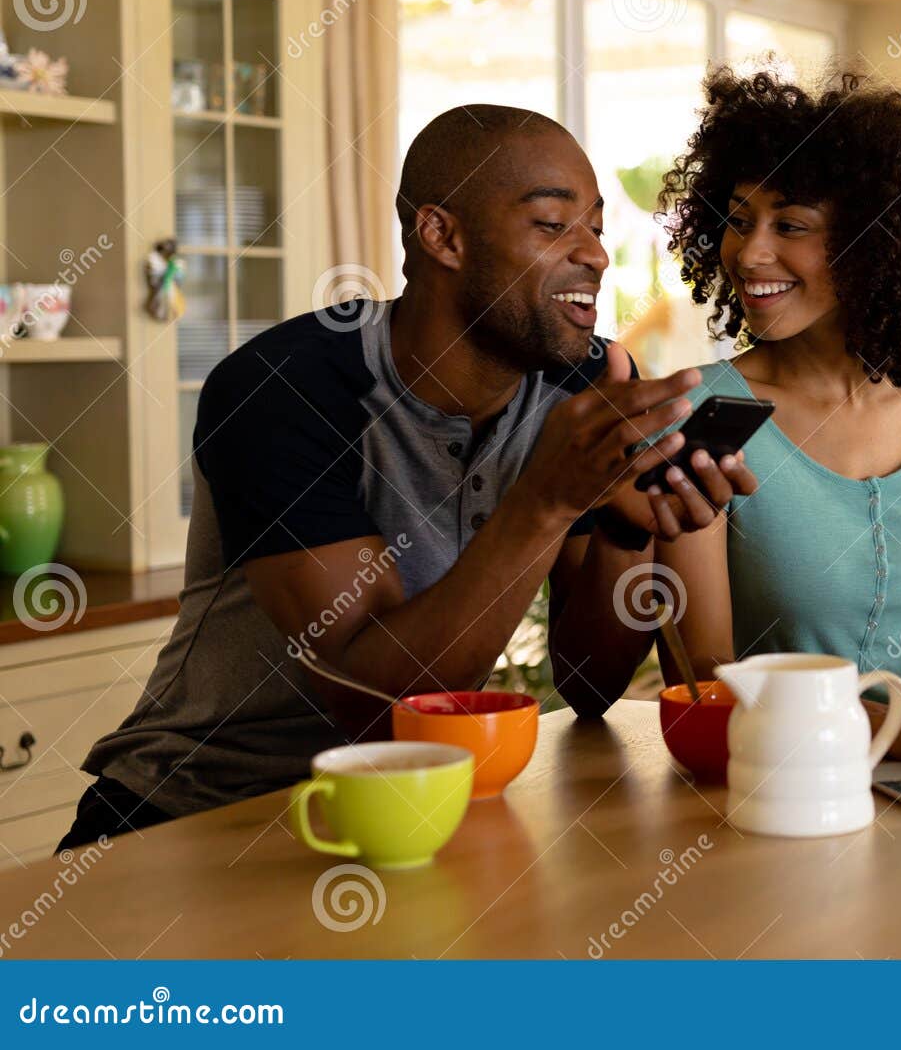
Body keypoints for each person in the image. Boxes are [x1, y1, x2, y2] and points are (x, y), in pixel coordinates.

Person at [59, 105, 756, 849]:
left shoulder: (575, 387)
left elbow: (588, 684)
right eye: (554, 225)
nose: (595, 255)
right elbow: (374, 703)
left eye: (595, 226)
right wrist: (548, 499)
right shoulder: (281, 389)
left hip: (417, 811)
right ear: (441, 235)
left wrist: (622, 524)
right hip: (194, 816)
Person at [559, 70, 901, 757]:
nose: (750, 251)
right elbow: (709, 683)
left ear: (879, 245)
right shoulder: (703, 414)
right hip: (791, 789)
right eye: (737, 219)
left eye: (790, 224)